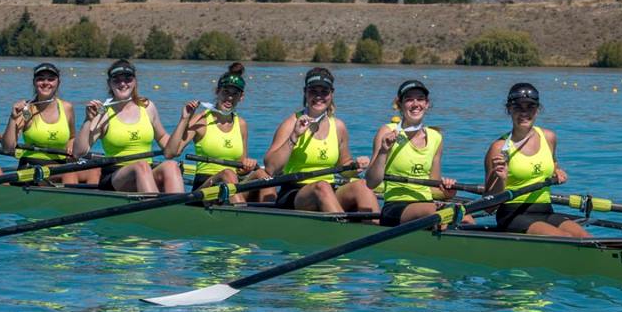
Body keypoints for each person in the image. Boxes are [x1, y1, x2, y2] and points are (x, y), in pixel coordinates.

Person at [264, 67, 378, 214]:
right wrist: (294, 137)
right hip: (295, 192)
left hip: (329, 190)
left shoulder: (338, 127)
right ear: (305, 92)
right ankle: (341, 229)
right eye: (313, 91)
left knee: (362, 185)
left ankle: (377, 230)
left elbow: (344, 166)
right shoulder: (290, 123)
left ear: (331, 94)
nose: (319, 96)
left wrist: (356, 167)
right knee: (322, 186)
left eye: (324, 92)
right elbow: (271, 168)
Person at [483, 82, 588, 237]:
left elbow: (552, 165)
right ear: (509, 110)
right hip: (512, 215)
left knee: (587, 239)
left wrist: (556, 171)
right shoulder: (499, 148)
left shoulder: (549, 138)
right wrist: (501, 179)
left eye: (530, 107)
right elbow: (488, 207)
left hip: (545, 211)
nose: (524, 112)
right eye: (518, 107)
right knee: (565, 238)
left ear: (538, 110)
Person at [366, 80, 473, 226]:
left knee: (467, 217)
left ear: (427, 104)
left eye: (420, 99)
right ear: (400, 105)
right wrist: (384, 151)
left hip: (428, 204)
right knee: (435, 212)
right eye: (409, 99)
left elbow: (434, 188)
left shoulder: (436, 137)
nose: (416, 104)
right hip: (395, 207)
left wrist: (448, 192)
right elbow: (371, 183)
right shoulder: (387, 132)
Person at [165, 62, 274, 204]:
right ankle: (241, 214)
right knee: (227, 173)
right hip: (204, 188)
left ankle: (273, 218)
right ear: (217, 92)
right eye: (226, 92)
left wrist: (248, 165)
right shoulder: (201, 120)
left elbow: (240, 169)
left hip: (232, 185)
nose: (229, 98)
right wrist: (184, 119)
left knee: (263, 175)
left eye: (235, 94)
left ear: (241, 97)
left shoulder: (241, 124)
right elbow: (170, 153)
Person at [73, 59, 183, 193]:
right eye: (117, 80)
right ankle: (155, 209)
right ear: (109, 84)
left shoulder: (147, 107)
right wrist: (87, 120)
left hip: (145, 172)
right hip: (114, 177)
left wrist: (184, 121)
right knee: (141, 165)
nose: (123, 83)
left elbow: (163, 139)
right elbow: (79, 152)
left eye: (128, 79)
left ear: (135, 82)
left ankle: (176, 209)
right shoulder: (103, 113)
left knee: (171, 165)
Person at [1, 62, 97, 186]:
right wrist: (13, 119)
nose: (46, 83)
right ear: (34, 83)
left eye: (51, 79)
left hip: (60, 165)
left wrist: (71, 144)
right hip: (32, 167)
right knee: (69, 174)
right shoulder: (26, 110)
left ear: (58, 83)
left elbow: (72, 137)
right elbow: (7, 148)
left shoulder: (67, 108)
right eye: (41, 79)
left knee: (95, 171)